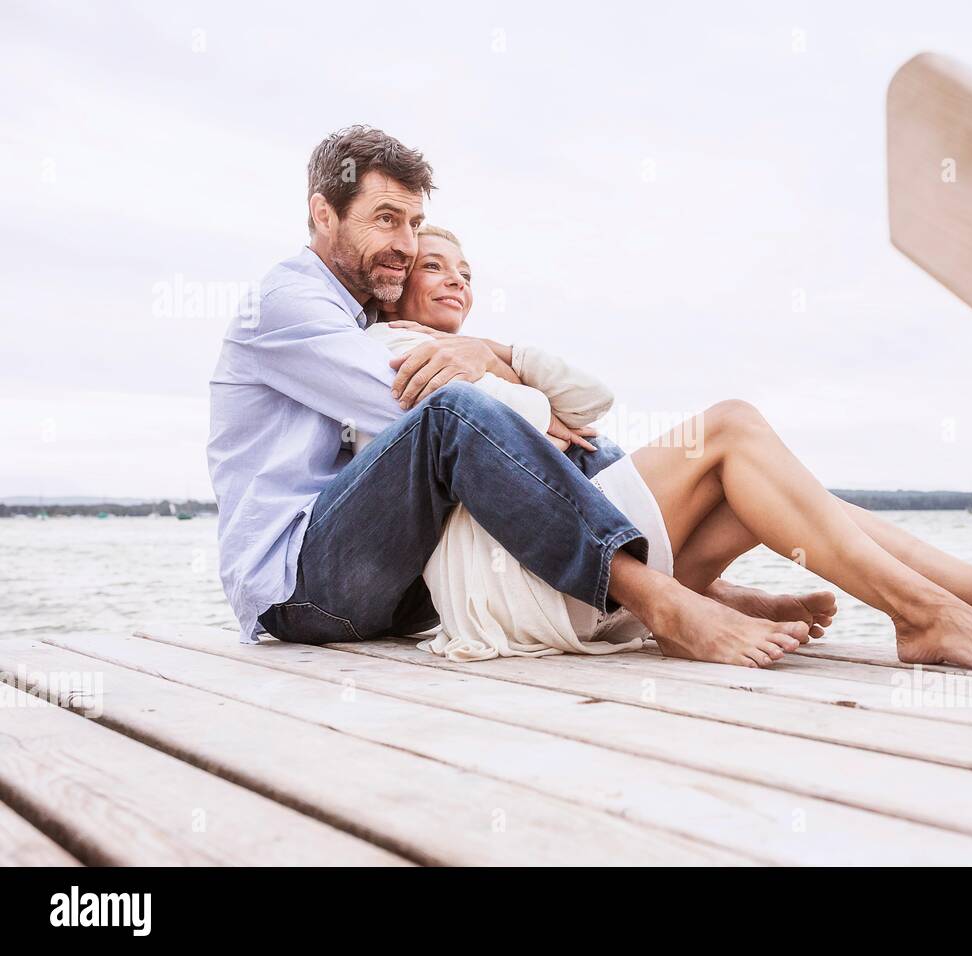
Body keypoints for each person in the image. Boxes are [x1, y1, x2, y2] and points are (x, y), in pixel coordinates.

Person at [373, 227, 972, 670]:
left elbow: (590, 402)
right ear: (396, 281)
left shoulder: (474, 354)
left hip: (578, 564)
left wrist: (496, 349)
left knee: (783, 499)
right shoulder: (385, 350)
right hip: (520, 574)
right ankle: (930, 614)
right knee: (732, 427)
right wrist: (509, 383)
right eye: (433, 266)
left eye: (466, 270)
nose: (456, 279)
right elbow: (516, 432)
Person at [207, 125, 822, 670]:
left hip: (398, 584)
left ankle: (697, 585)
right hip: (299, 591)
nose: (406, 243)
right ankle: (659, 601)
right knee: (453, 417)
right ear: (323, 212)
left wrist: (506, 376)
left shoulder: (367, 310)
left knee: (585, 447)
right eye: (386, 218)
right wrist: (539, 411)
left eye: (414, 223)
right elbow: (412, 400)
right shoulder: (288, 303)